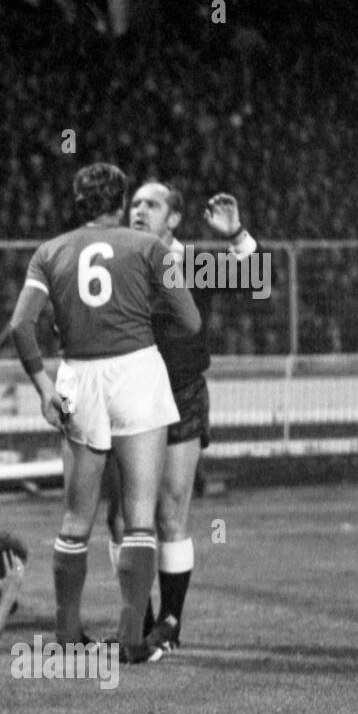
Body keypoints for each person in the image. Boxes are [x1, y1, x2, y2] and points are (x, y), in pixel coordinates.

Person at [7, 163, 201, 664]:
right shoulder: (149, 248)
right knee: (139, 516)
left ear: (78, 201)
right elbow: (190, 318)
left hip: (78, 376)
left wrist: (43, 386)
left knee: (77, 516)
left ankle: (68, 636)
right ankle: (133, 638)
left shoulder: (49, 252)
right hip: (135, 369)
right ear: (119, 202)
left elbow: (20, 327)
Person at [105, 184, 258, 653]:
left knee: (171, 513)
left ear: (172, 219)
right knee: (119, 520)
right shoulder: (118, 263)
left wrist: (236, 236)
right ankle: (142, 617)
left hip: (181, 395)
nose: (138, 211)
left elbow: (257, 283)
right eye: (133, 204)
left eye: (150, 205)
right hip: (129, 397)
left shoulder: (192, 262)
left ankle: (169, 624)